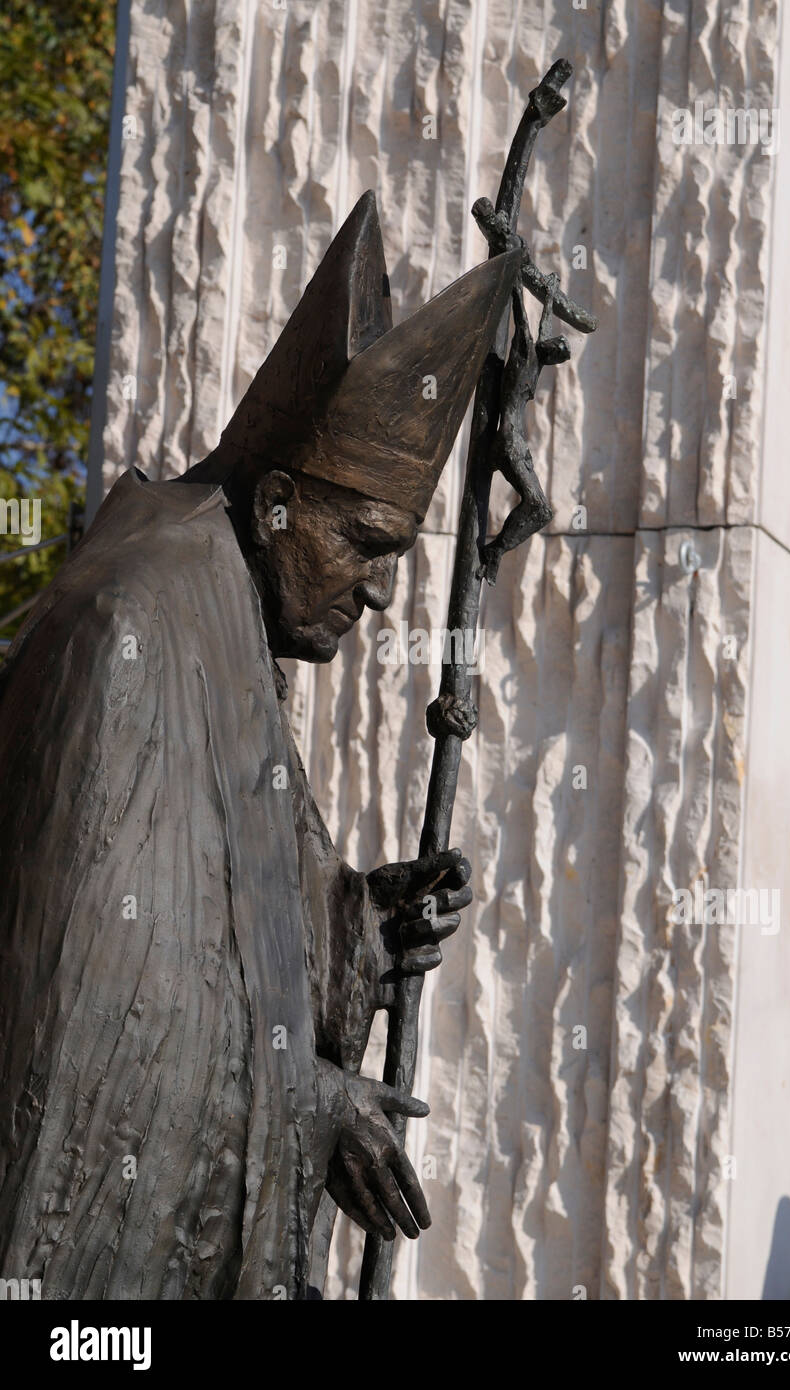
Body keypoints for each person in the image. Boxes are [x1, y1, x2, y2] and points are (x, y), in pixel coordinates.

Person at [0, 191, 519, 1299]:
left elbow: (225, 940)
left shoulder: (225, 611)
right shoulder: (133, 620)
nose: (380, 592)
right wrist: (310, 1107)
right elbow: (97, 1030)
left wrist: (362, 923)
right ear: (280, 500)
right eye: (366, 544)